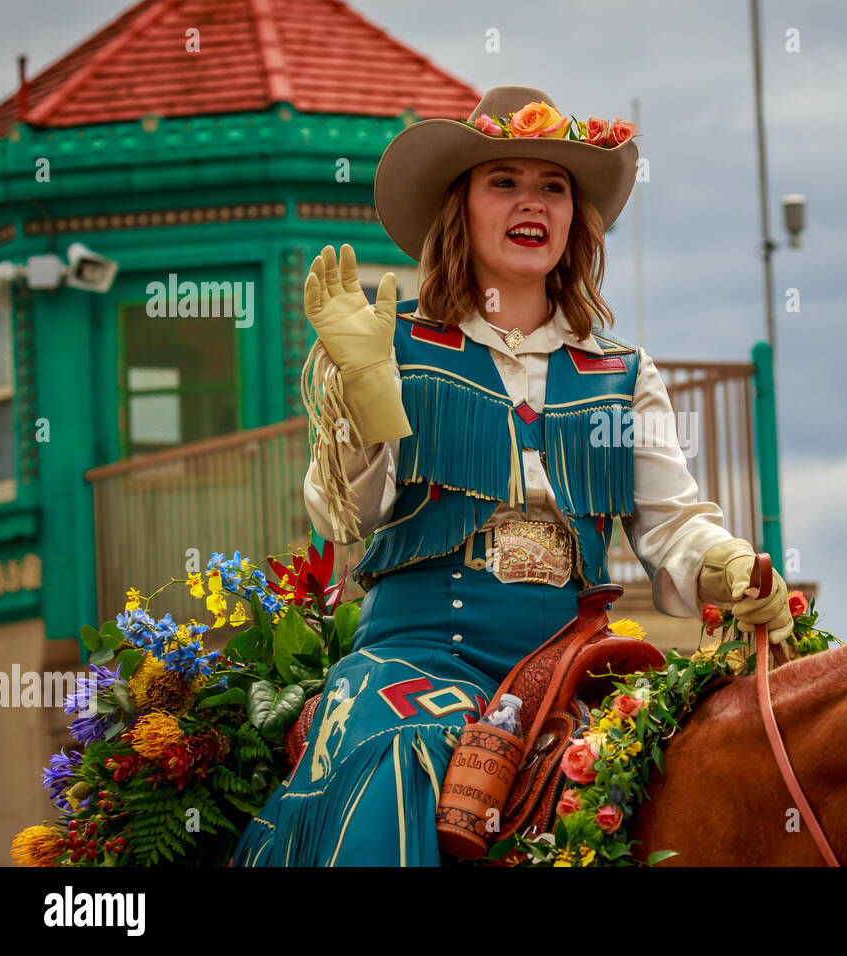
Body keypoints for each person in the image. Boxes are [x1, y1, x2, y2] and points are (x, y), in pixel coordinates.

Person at [232, 86, 793, 867]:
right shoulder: (388, 344)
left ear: (575, 220)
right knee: (404, 755)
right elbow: (342, 519)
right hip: (416, 663)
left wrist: (725, 563)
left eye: (553, 187)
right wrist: (365, 394)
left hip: (571, 669)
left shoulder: (623, 374)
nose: (533, 202)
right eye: (505, 182)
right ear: (459, 208)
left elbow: (671, 524)